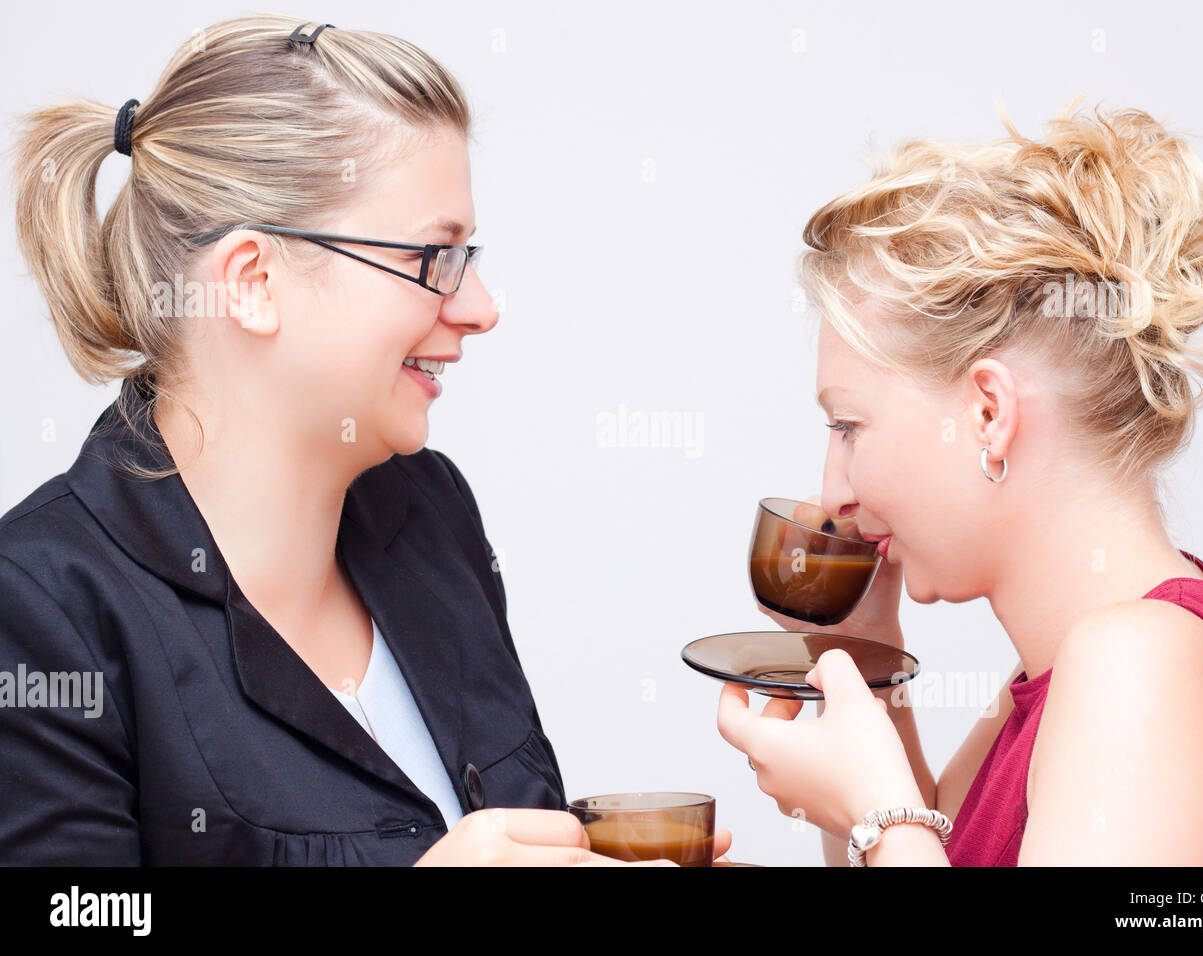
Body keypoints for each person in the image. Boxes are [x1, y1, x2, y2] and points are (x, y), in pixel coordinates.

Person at [0, 13, 729, 866]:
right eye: (434, 258)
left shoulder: (429, 513)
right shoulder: (41, 611)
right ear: (254, 282)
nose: (480, 307)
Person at [717, 101, 1203, 866]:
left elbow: (901, 844)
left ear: (988, 413)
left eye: (849, 426)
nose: (834, 496)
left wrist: (876, 812)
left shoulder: (1139, 669)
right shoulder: (1058, 676)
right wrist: (866, 657)